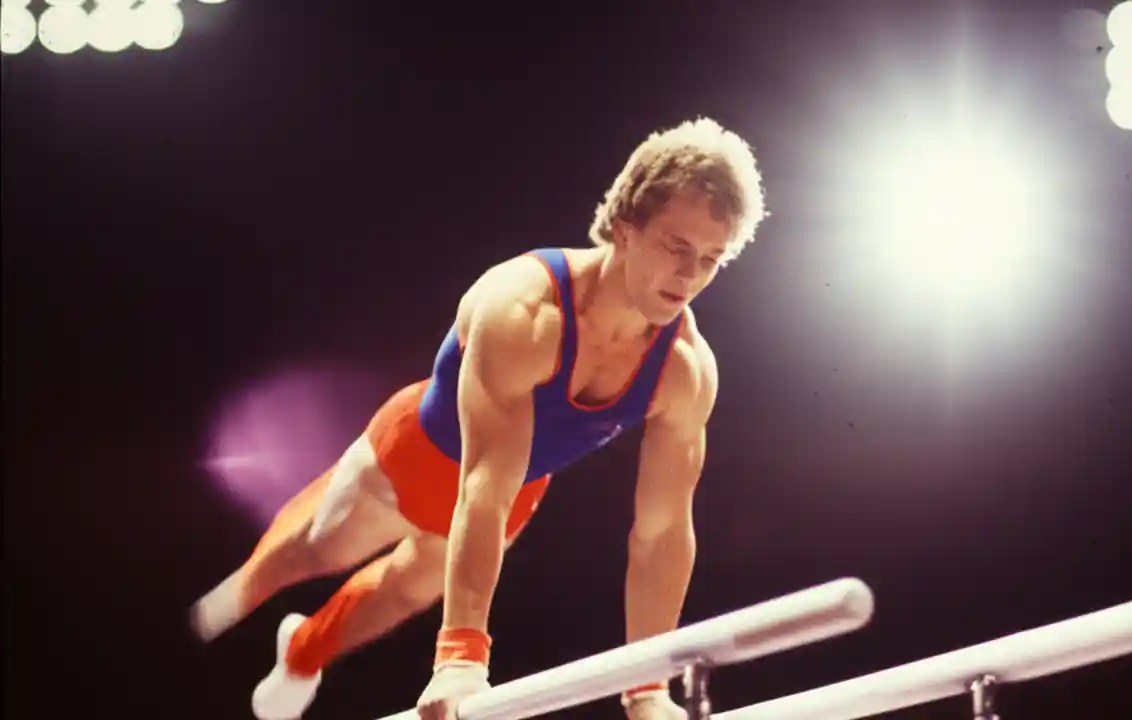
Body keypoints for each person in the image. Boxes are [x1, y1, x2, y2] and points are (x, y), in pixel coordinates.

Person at [189, 116, 767, 720]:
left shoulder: (685, 369)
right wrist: (461, 658)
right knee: (315, 553)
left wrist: (648, 684)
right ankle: (233, 597)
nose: (690, 275)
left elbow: (662, 534)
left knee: (394, 597)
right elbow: (481, 484)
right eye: (676, 248)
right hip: (415, 455)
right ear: (624, 230)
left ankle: (302, 653)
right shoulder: (523, 308)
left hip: (513, 490)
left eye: (710, 259)